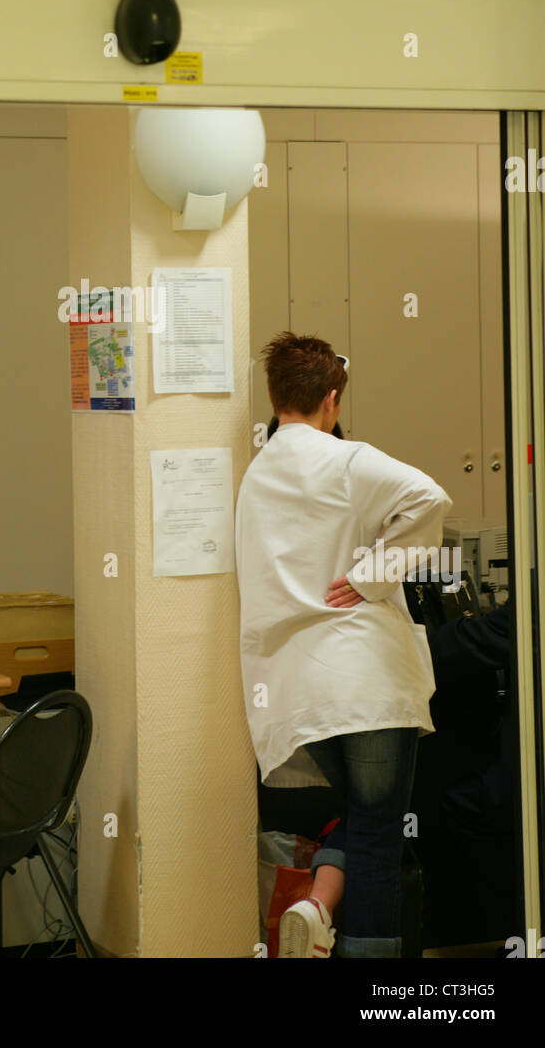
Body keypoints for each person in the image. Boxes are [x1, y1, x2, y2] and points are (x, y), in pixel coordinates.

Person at [236, 332, 451, 958]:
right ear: (332, 400)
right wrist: (368, 578)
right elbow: (430, 497)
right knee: (380, 835)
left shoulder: (255, 476)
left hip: (298, 692)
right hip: (367, 684)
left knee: (363, 814)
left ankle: (315, 906)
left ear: (276, 396)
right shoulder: (344, 458)